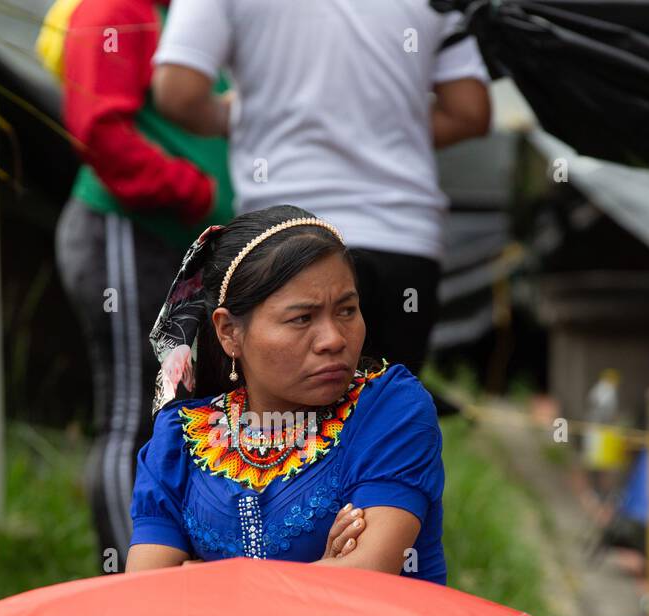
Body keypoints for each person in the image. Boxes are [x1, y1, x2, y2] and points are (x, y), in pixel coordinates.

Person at [148, 0, 491, 375]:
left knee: (285, 427)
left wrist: (243, 117)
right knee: (388, 419)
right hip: (402, 238)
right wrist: (382, 131)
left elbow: (177, 92)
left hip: (279, 242)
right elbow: (470, 112)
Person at [126, 204, 448, 585]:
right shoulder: (180, 439)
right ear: (229, 331)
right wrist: (320, 576)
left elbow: (364, 583)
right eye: (302, 319)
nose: (333, 340)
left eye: (347, 310)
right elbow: (145, 595)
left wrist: (205, 582)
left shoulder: (389, 410)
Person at [45, 0, 234, 571]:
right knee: (134, 414)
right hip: (125, 234)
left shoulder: (175, 12)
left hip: (169, 244)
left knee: (176, 413)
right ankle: (130, 590)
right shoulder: (116, 7)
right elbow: (98, 129)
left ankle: (171, 582)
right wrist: (197, 191)